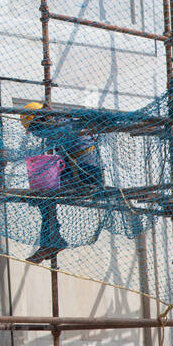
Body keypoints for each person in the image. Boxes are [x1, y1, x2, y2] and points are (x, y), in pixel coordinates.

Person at [18, 102, 106, 264]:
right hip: (79, 170)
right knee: (44, 195)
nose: (38, 135)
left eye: (35, 129)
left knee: (44, 196)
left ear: (41, 119)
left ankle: (51, 241)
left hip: (85, 173)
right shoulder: (62, 119)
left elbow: (64, 151)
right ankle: (52, 239)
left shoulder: (59, 125)